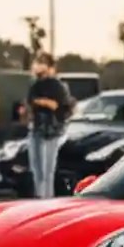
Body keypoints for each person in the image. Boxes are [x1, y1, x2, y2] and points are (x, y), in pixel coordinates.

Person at [25, 52, 72, 198]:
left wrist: (39, 102)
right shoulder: (35, 84)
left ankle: (46, 200)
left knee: (47, 172)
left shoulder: (56, 85)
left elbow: (57, 105)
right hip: (37, 129)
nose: (36, 66)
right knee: (37, 170)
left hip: (50, 131)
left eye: (40, 63)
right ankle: (39, 198)